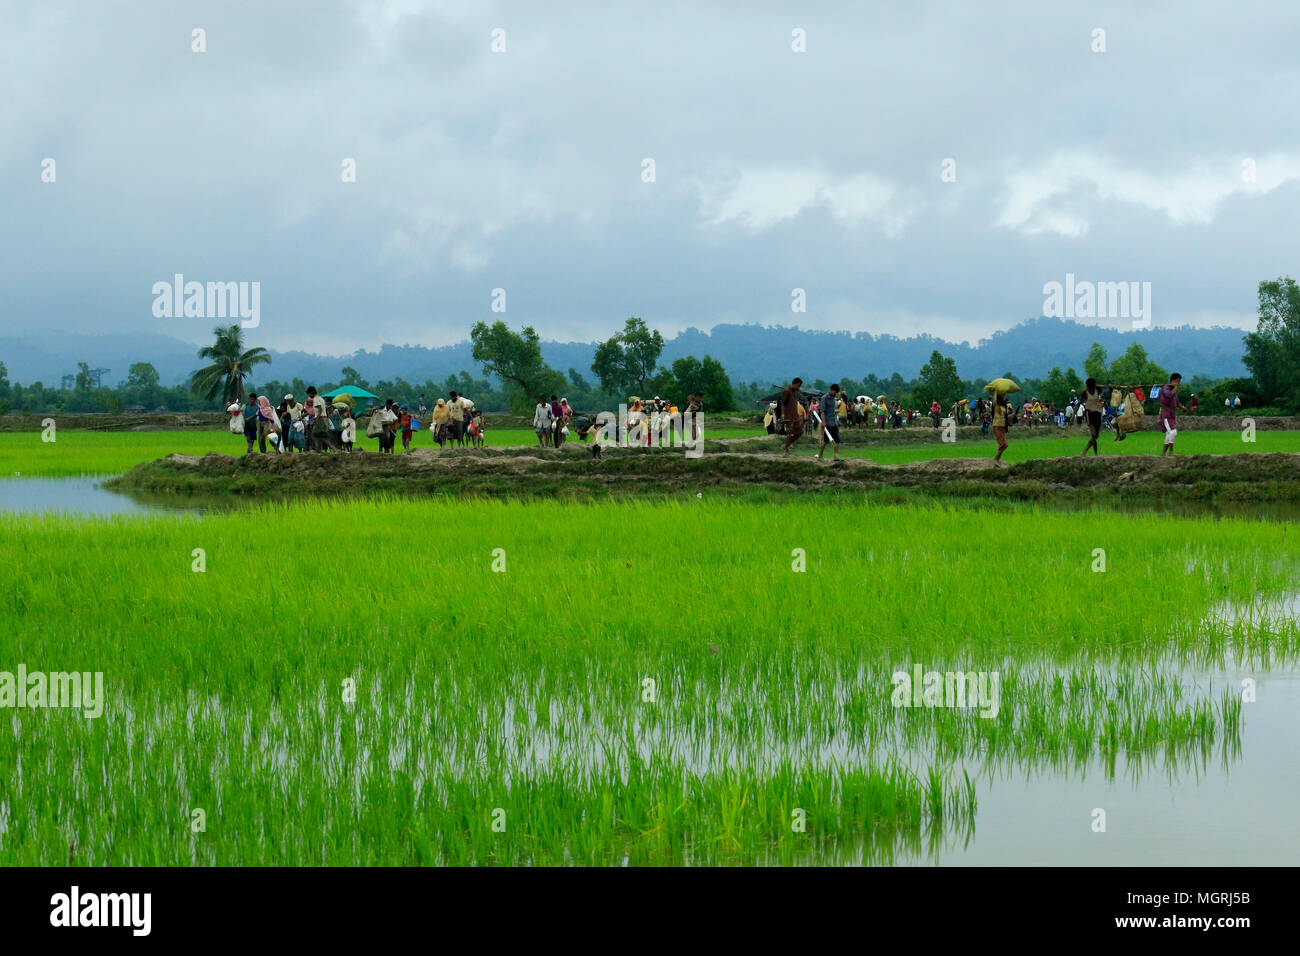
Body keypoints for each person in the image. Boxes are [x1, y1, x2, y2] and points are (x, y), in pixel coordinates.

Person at [1159, 372, 1187, 456]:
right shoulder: (1166, 388)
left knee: (1169, 433)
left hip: (1172, 414)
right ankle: (1170, 451)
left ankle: (1164, 453)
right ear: (1173, 380)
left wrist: (1183, 407)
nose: (1178, 383)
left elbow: (1176, 402)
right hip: (1166, 414)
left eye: (1179, 381)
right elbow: (1169, 395)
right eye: (1177, 381)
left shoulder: (1173, 390)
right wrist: (1175, 387)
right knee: (1173, 432)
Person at [780, 378, 804, 455]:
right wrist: (783, 414)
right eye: (798, 386)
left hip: (795, 416)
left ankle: (786, 445)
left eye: (800, 386)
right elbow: (783, 404)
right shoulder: (786, 391)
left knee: (800, 432)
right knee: (789, 433)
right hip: (788, 417)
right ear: (793, 384)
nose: (798, 388)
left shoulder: (794, 392)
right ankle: (786, 451)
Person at [817, 384, 842, 461]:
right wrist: (823, 422)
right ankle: (820, 456)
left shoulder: (834, 399)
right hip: (827, 422)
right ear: (831, 390)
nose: (835, 394)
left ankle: (836, 456)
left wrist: (837, 421)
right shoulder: (824, 398)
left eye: (836, 393)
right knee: (825, 441)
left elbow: (832, 411)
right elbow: (822, 411)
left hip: (834, 422)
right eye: (835, 392)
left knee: (837, 440)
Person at [1080, 378, 1104, 456]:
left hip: (1098, 414)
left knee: (1096, 436)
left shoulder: (1098, 390)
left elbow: (1104, 387)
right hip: (1089, 413)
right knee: (1093, 435)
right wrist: (1073, 414)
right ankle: (1096, 454)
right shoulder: (1085, 393)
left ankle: (1084, 451)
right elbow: (1079, 403)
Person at [991, 390, 1010, 464]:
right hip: (997, 425)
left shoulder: (1003, 405)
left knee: (1004, 445)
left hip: (1002, 426)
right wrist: (995, 392)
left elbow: (1004, 416)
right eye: (1003, 394)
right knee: (1003, 444)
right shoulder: (996, 404)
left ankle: (996, 459)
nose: (1004, 395)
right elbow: (995, 400)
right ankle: (996, 459)